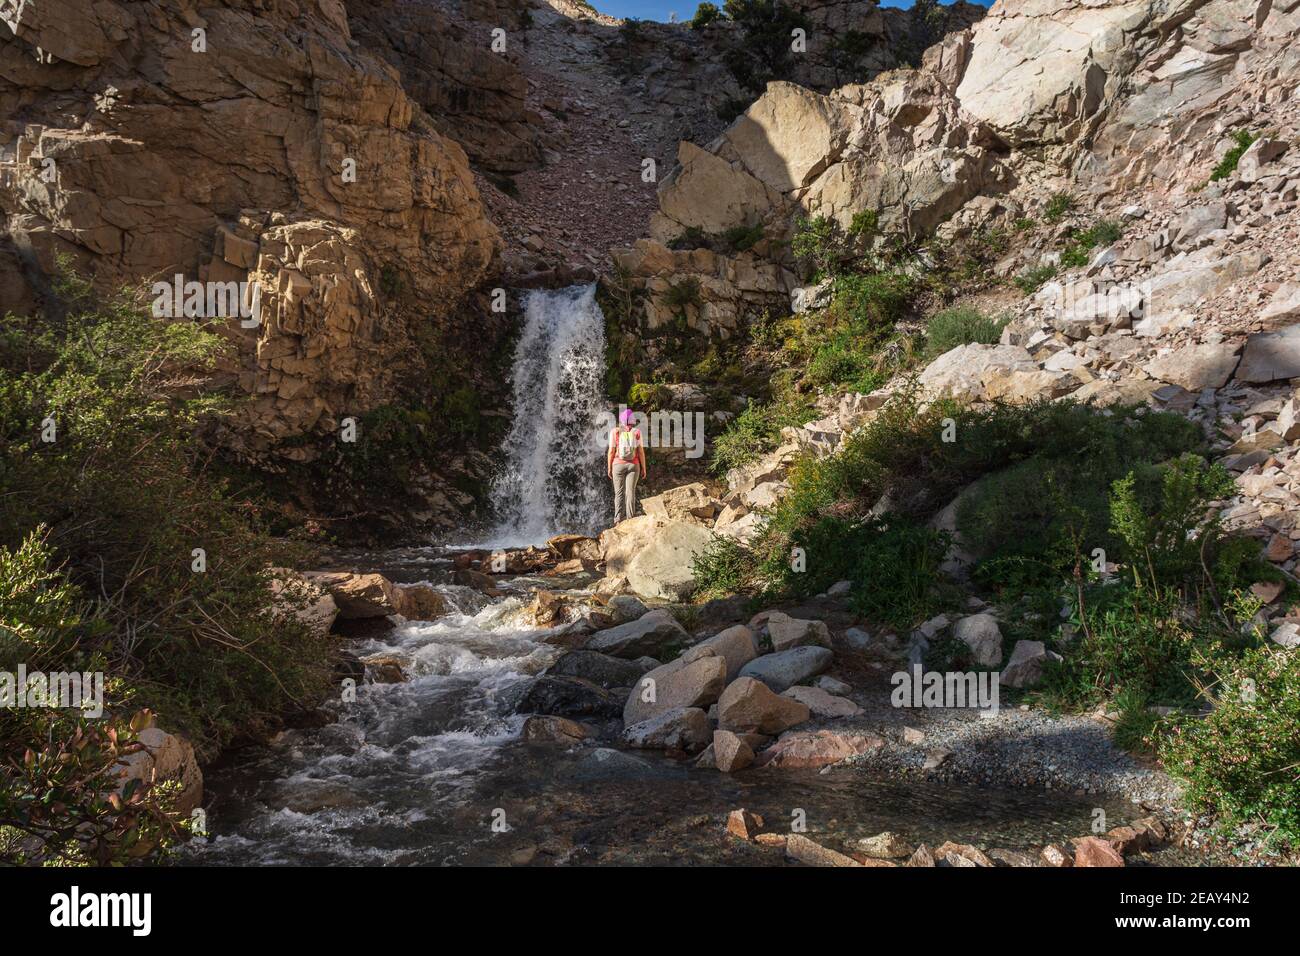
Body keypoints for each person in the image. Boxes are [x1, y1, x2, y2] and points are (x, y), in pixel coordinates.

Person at [607, 408, 646, 525]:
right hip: (633, 465)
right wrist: (644, 467)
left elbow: (611, 451)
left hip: (618, 464)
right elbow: (641, 452)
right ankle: (630, 519)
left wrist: (609, 467)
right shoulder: (637, 432)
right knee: (630, 492)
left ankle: (618, 519)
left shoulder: (615, 432)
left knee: (618, 493)